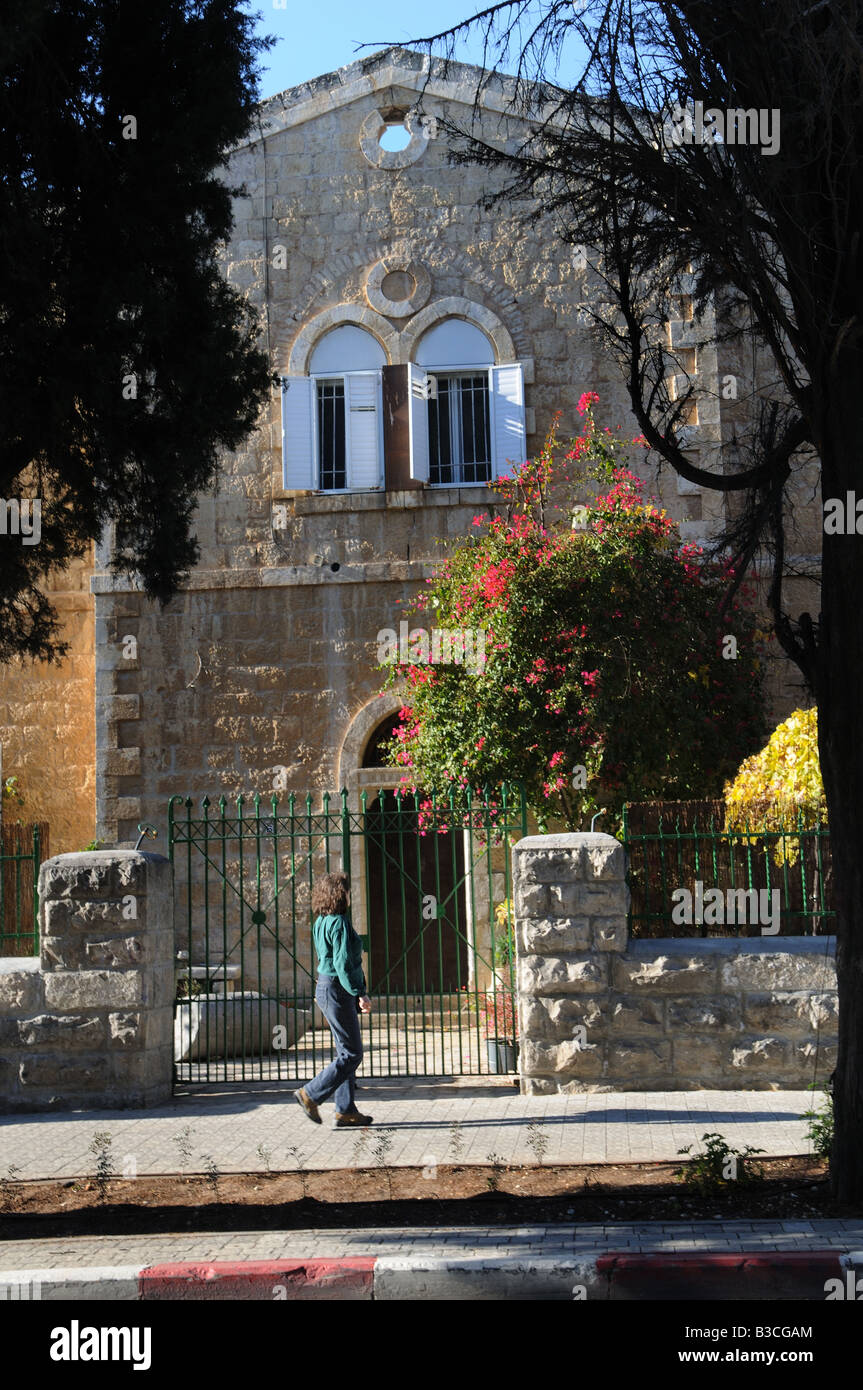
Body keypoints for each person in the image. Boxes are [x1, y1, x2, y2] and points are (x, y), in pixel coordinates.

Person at [295, 870, 374, 1129]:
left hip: (327, 988)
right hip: (338, 989)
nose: (351, 895)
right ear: (341, 894)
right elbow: (342, 963)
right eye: (348, 891)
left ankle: (345, 1111)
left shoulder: (321, 921)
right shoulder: (339, 922)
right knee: (353, 1053)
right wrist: (359, 992)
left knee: (345, 1051)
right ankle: (311, 1093)